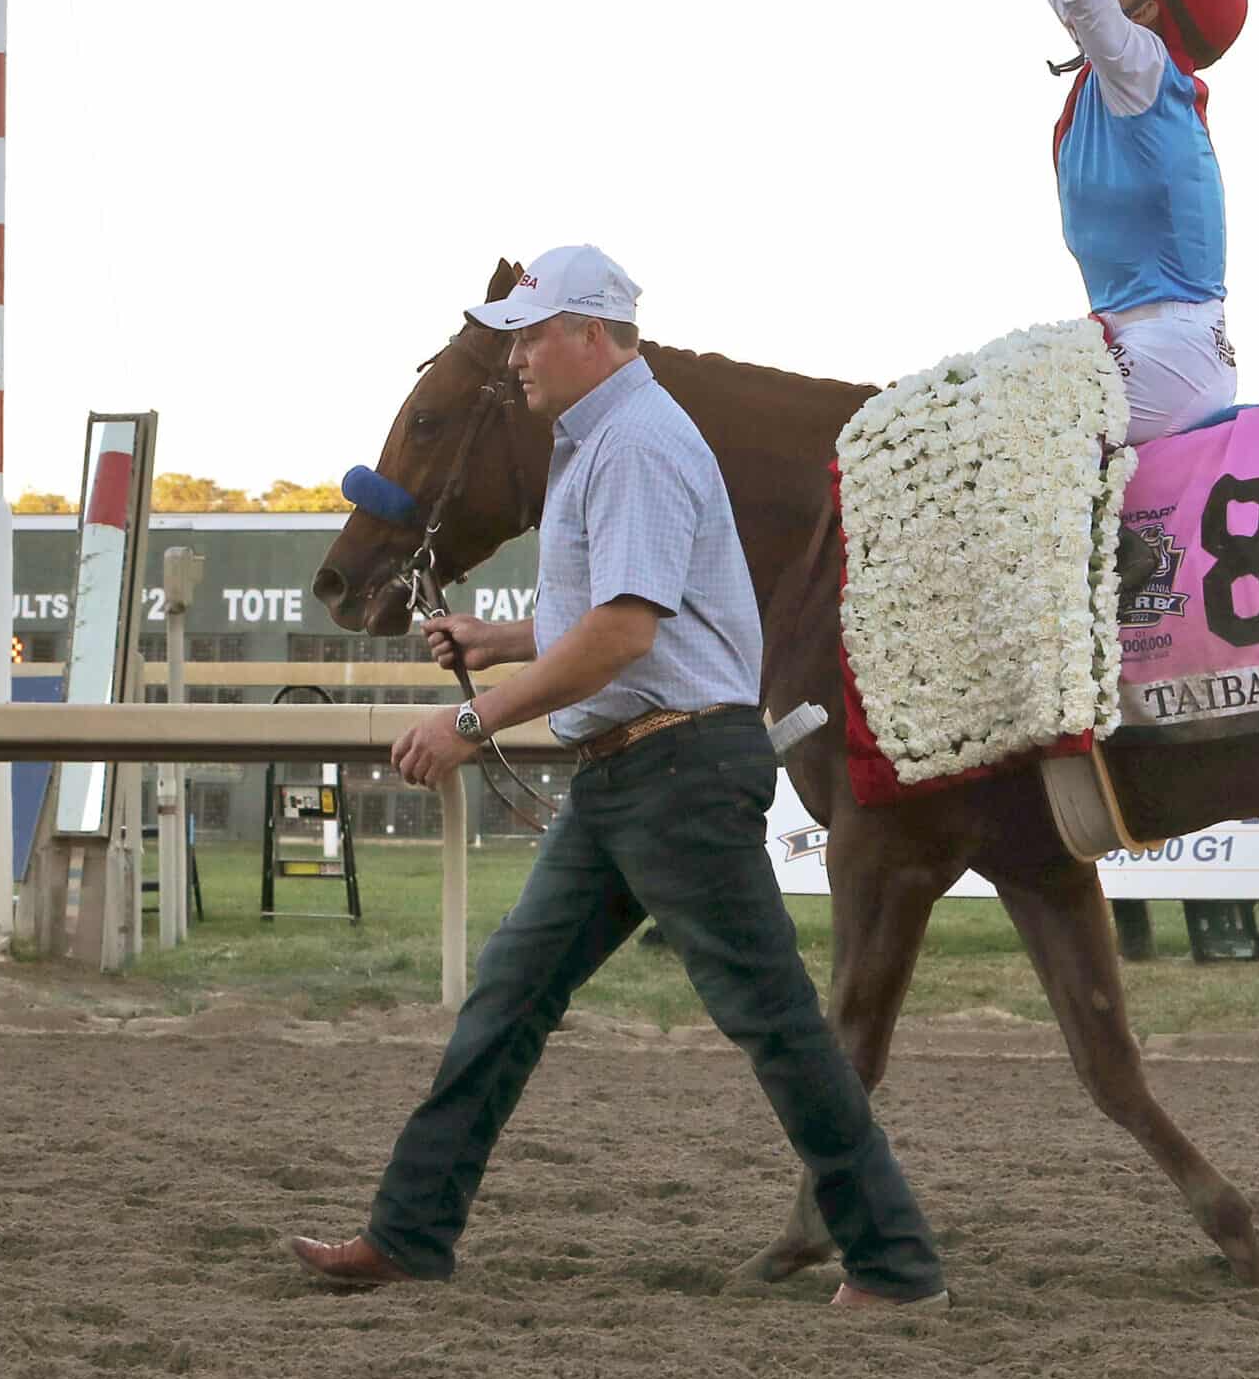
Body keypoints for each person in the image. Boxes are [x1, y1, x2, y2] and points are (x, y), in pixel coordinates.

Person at [289, 244, 946, 1310]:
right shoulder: (605, 439)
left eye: (532, 336)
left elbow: (624, 635)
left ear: (593, 334)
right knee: (506, 1002)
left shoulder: (633, 442)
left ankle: (897, 1266)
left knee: (774, 1027)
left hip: (677, 772)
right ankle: (406, 1235)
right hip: (633, 771)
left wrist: (472, 718)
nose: (517, 362)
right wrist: (500, 639)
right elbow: (612, 614)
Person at [974, 0, 1251, 450]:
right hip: (1146, 346)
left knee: (976, 437)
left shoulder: (1145, 74)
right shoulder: (1125, 68)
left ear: (1153, 10)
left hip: (1173, 354)